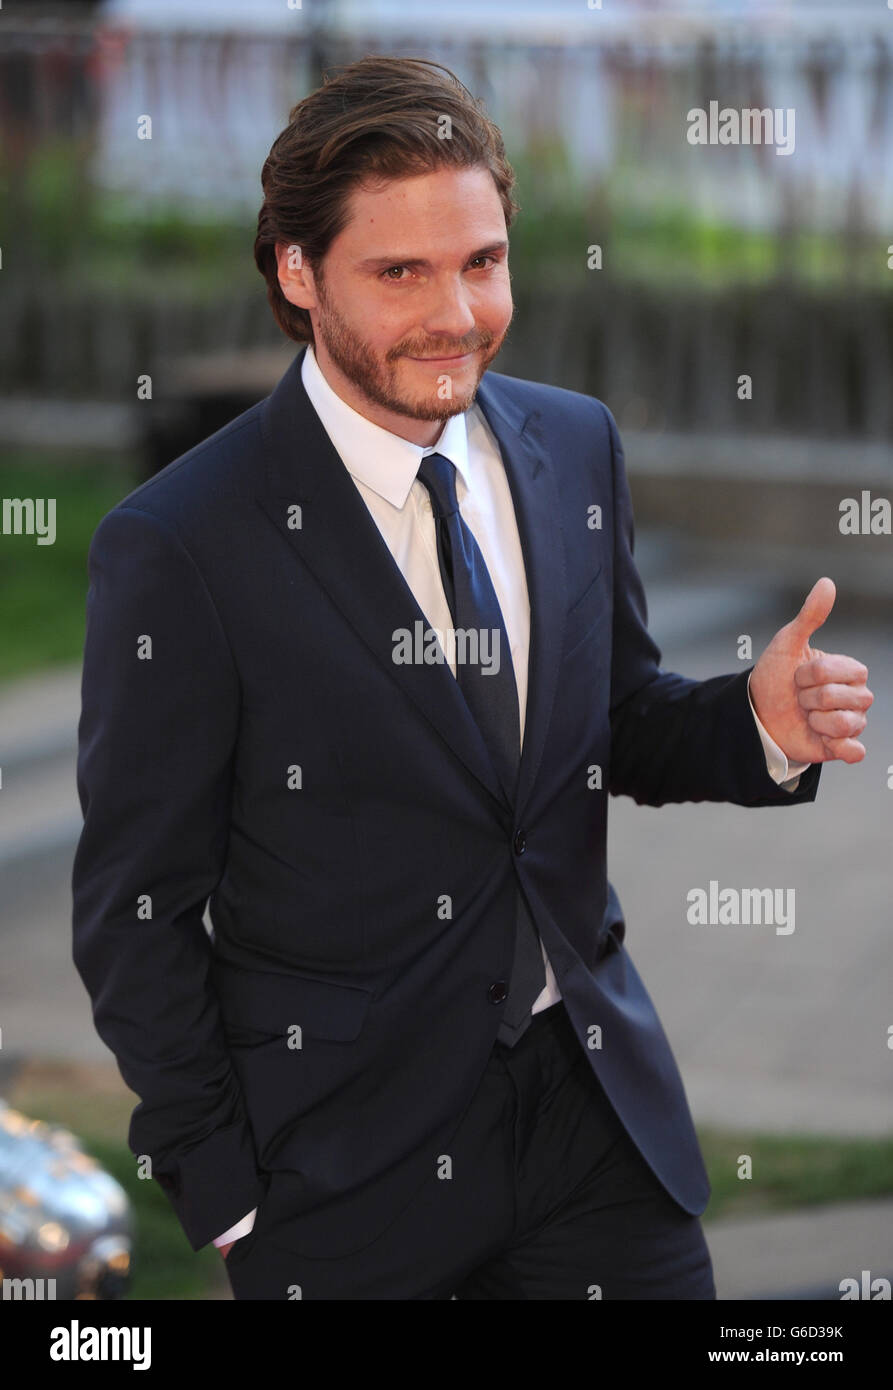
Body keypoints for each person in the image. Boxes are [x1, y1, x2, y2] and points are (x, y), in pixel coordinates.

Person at [71, 55, 873, 1300]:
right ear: (298, 272)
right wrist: (218, 1183)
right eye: (400, 272)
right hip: (343, 1163)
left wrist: (752, 725)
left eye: (482, 262)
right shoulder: (181, 544)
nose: (457, 313)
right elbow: (136, 908)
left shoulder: (574, 443)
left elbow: (612, 726)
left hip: (592, 1117)